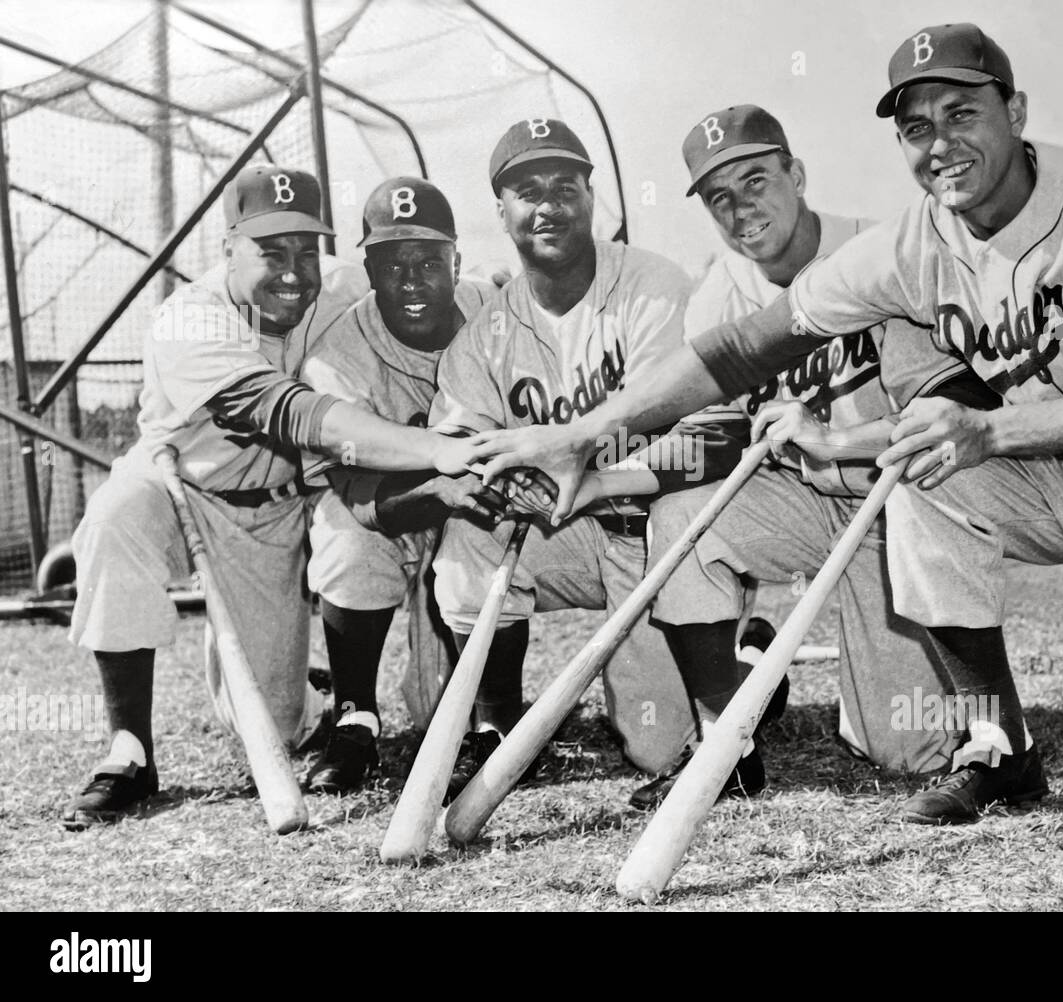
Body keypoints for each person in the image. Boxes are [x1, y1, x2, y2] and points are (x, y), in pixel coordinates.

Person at [466, 23, 1063, 824]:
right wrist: (584, 437)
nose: (939, 145)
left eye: (961, 114)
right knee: (927, 474)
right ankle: (999, 745)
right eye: (915, 128)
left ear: (1015, 112)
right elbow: (743, 348)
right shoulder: (908, 246)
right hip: (1047, 472)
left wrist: (982, 434)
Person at [62, 165, 474, 829]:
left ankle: (321, 699)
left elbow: (443, 291)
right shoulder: (188, 319)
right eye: (270, 251)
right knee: (114, 518)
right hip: (188, 487)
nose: (292, 271)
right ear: (227, 249)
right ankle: (129, 750)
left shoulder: (345, 285)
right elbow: (284, 411)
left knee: (280, 728)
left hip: (288, 501)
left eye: (306, 251)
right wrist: (434, 452)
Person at [632, 104, 961, 809]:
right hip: (802, 500)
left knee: (905, 750)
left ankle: (757, 659)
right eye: (719, 197)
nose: (740, 207)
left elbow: (949, 411)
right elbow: (711, 433)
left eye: (755, 180)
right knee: (683, 517)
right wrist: (609, 473)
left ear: (797, 174)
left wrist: (836, 438)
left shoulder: (877, 250)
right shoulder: (718, 291)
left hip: (898, 502)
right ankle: (729, 741)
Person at [429, 118, 738, 794]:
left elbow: (717, 437)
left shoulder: (654, 286)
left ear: (590, 197)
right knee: (465, 535)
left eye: (565, 187)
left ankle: (740, 666)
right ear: (502, 211)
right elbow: (456, 455)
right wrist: (490, 484)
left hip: (652, 537)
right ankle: (496, 728)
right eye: (527, 190)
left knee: (657, 750)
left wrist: (595, 472)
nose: (548, 206)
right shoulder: (484, 335)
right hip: (557, 531)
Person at [297, 177, 502, 793]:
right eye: (392, 264)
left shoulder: (498, 317)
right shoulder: (337, 357)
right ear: (368, 268)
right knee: (338, 531)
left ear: (457, 261)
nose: (412, 281)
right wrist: (437, 491)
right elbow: (358, 496)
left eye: (429, 262)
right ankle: (354, 716)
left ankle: (492, 720)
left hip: (470, 522)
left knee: (433, 710)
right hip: (388, 516)